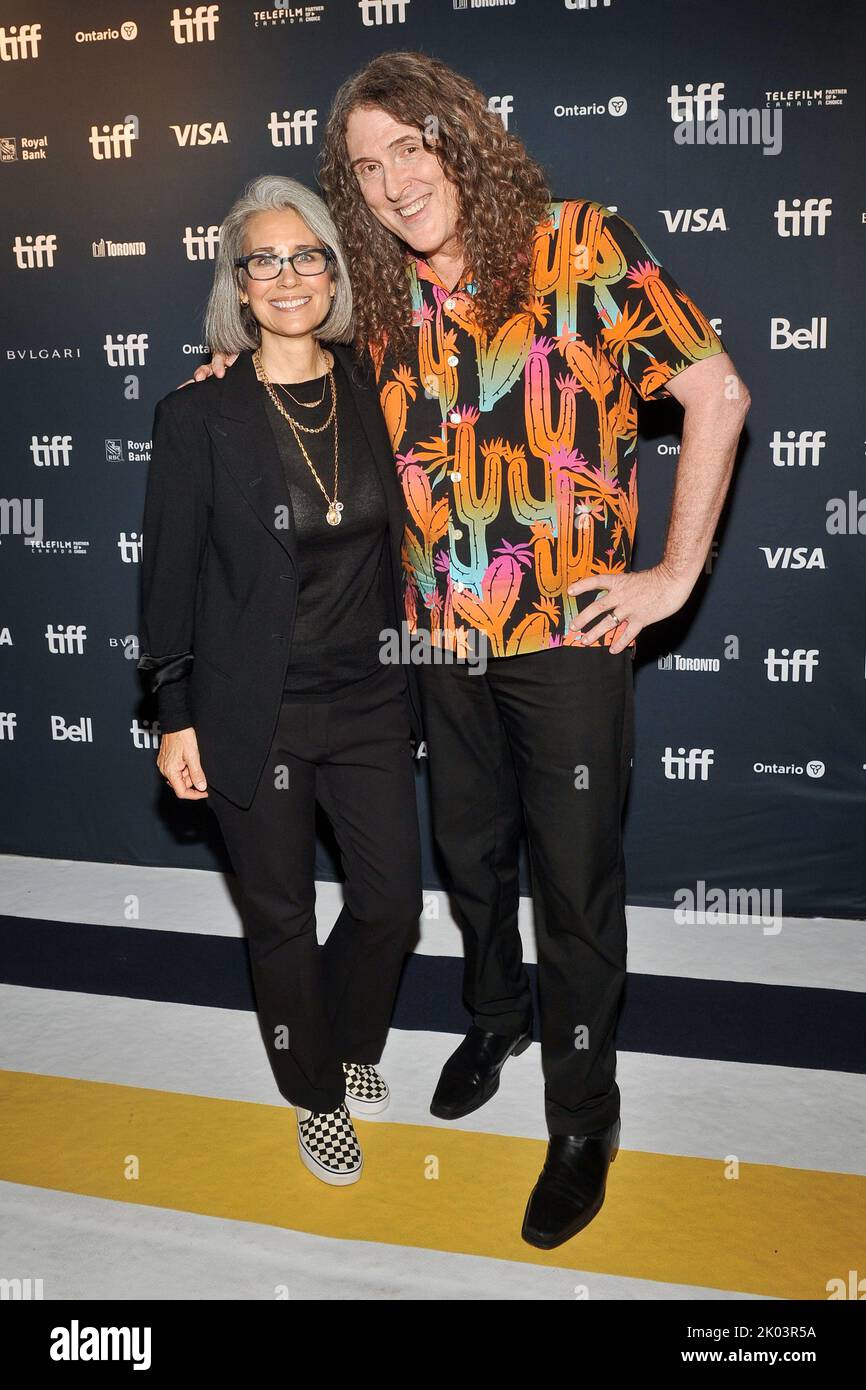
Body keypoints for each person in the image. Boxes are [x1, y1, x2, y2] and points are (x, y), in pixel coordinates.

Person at [192, 53, 751, 1246]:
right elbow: (303, 383)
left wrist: (671, 575)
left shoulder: (581, 245)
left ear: (460, 138)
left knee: (575, 885)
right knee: (466, 855)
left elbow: (715, 392)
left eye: (411, 146)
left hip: (563, 637)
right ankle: (492, 1014)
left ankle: (580, 1119)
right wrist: (234, 374)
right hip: (434, 641)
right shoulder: (381, 303)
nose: (394, 182)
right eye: (366, 166)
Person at [137, 174, 423, 1187]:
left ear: (333, 274)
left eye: (307, 255)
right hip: (249, 708)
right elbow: (166, 576)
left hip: (372, 697)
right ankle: (315, 1093)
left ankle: (344, 1038)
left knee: (390, 901)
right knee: (281, 914)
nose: (288, 274)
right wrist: (174, 713)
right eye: (264, 259)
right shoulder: (198, 415)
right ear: (240, 287)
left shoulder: (374, 385)